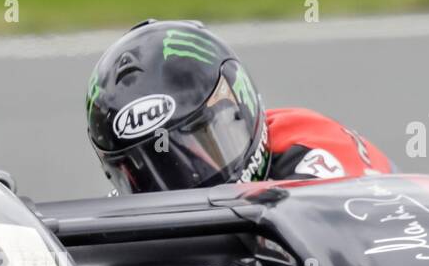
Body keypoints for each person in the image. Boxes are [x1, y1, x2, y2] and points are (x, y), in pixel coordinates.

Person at [84, 19, 392, 195]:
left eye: (201, 141)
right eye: (148, 173)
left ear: (240, 103)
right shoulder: (119, 216)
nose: (184, 182)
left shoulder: (315, 149)